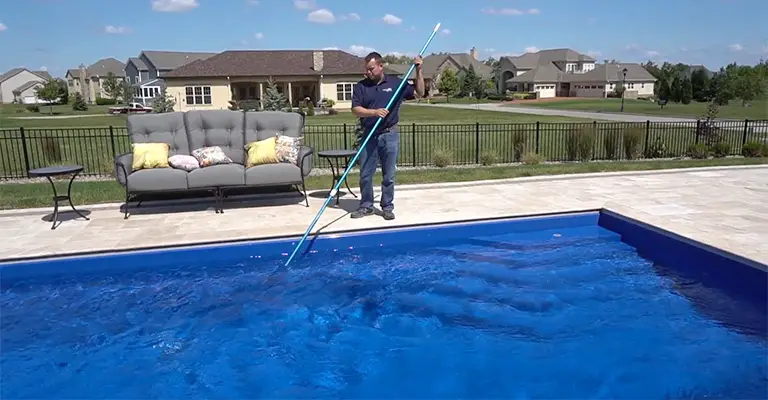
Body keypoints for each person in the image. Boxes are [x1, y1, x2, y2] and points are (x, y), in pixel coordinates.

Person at [349, 51, 425, 221]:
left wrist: (419, 71)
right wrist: (373, 112)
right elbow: (355, 109)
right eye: (366, 69)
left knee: (388, 175)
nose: (367, 72)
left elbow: (419, 92)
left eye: (371, 69)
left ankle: (387, 207)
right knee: (365, 175)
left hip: (390, 134)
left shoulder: (396, 83)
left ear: (381, 66)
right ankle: (366, 206)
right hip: (369, 135)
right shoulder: (362, 86)